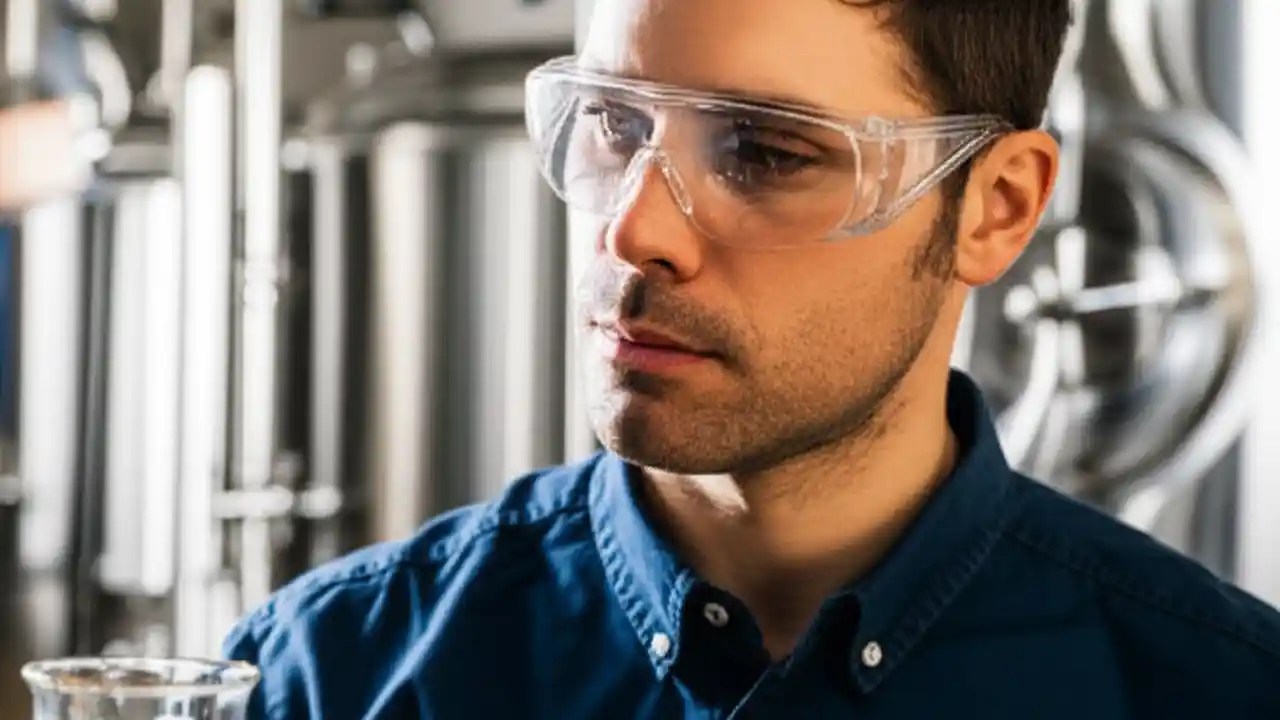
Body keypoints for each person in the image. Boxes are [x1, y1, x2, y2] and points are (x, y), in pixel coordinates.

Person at [224, 0, 1280, 717]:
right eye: (613, 123)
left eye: (763, 153)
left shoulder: (1215, 690)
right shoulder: (328, 675)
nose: (634, 230)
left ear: (994, 209)